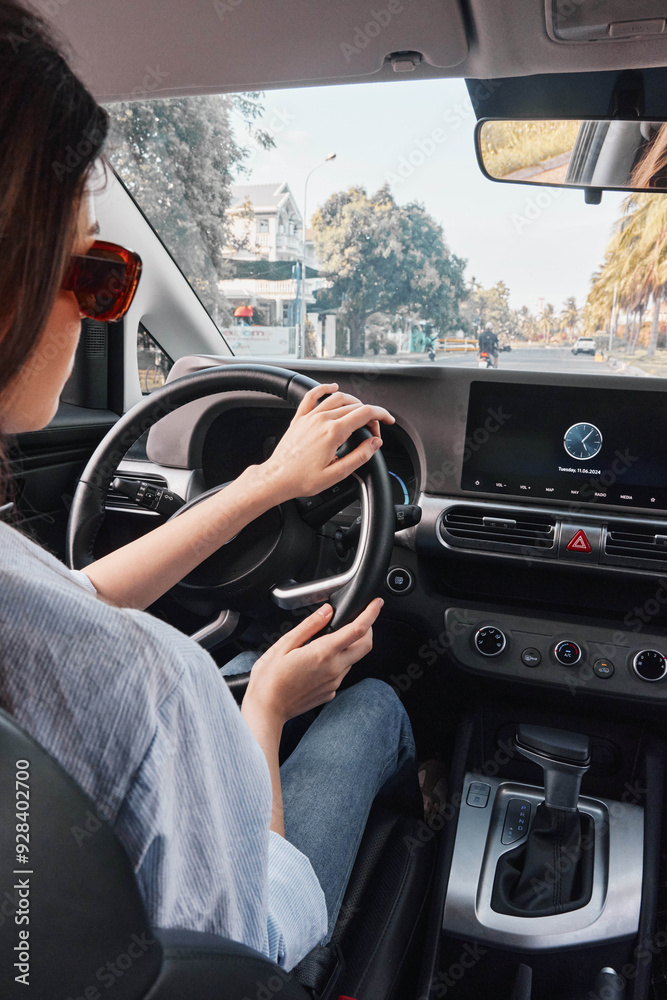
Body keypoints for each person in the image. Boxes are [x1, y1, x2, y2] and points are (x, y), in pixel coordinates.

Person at [0, 0, 421, 975]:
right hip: (253, 940)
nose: (99, 311)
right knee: (371, 711)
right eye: (93, 272)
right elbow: (238, 951)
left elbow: (73, 606)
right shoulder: (151, 695)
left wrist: (266, 485)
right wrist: (262, 710)